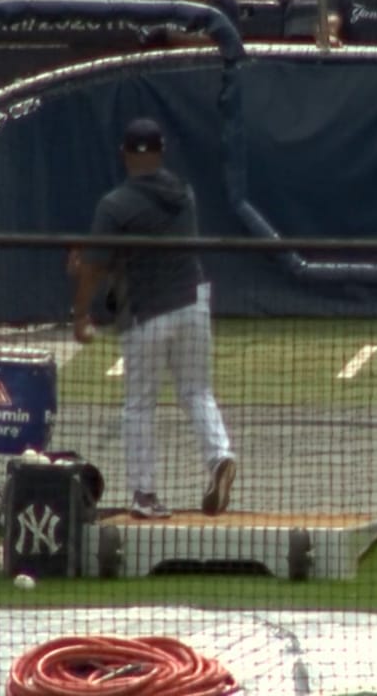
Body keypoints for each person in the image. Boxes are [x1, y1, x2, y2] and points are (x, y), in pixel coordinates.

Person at [69, 117, 236, 518]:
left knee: (139, 405)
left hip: (146, 313)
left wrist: (80, 316)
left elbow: (96, 265)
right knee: (197, 391)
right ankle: (220, 456)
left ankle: (145, 495)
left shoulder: (114, 205)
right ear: (161, 152)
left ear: (125, 154)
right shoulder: (185, 195)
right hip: (193, 304)